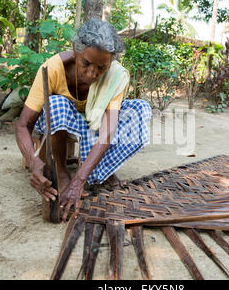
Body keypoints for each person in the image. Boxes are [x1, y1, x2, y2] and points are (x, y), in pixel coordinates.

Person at [15, 19, 152, 222]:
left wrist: (79, 180)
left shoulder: (115, 76)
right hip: (63, 119)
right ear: (75, 50)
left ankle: (101, 171)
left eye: (101, 67)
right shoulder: (52, 69)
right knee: (55, 104)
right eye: (86, 63)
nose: (91, 74)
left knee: (140, 109)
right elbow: (23, 125)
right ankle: (62, 173)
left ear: (110, 63)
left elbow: (107, 132)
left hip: (94, 123)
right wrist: (34, 161)